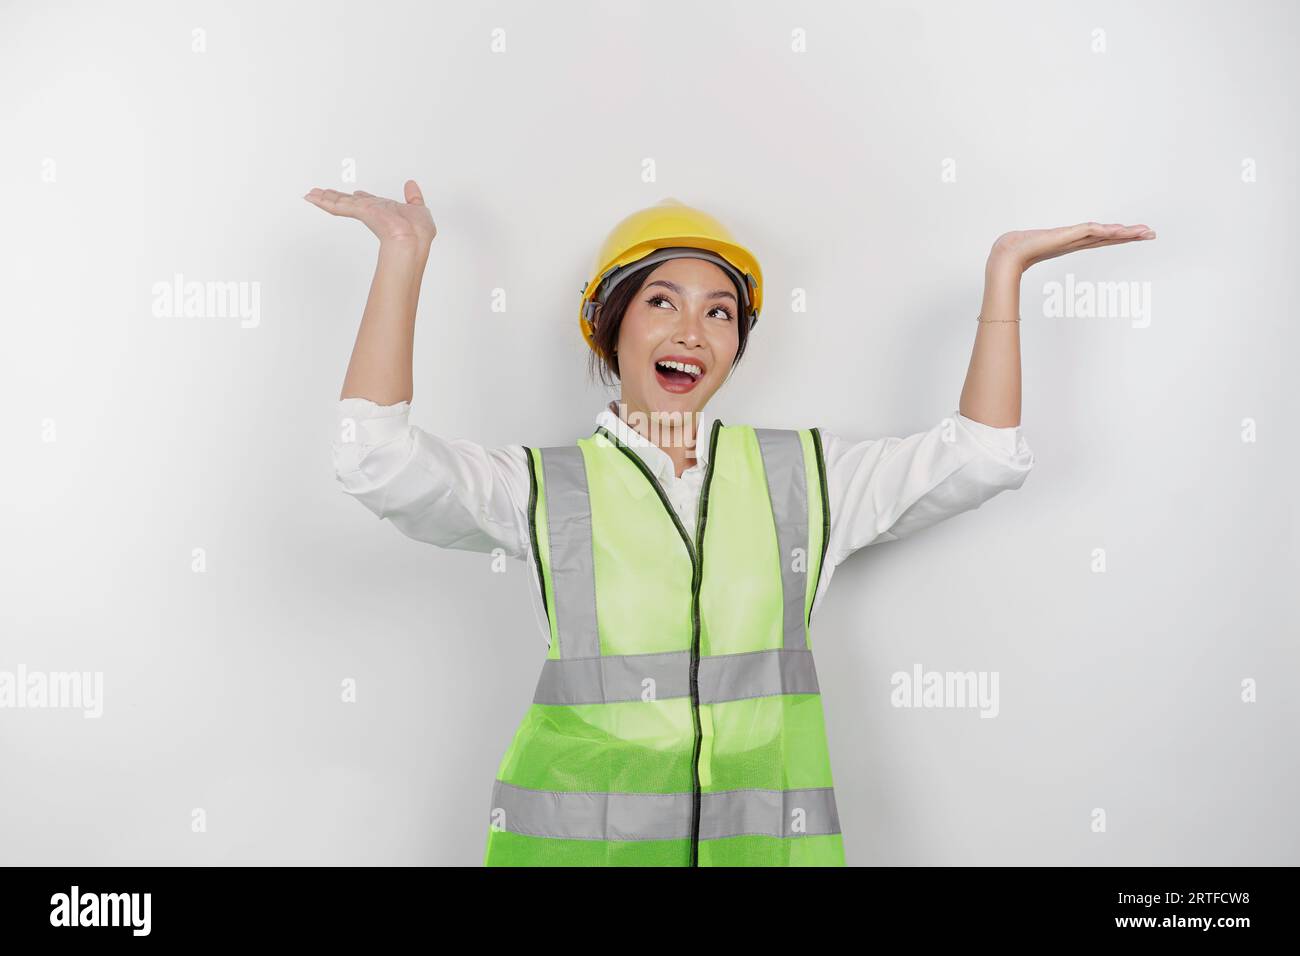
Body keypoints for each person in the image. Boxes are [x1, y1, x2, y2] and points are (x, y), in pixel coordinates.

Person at [305, 180, 1155, 866]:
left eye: (720, 312)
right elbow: (373, 459)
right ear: (611, 325)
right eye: (662, 302)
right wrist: (404, 255)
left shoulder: (804, 478)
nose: (694, 331)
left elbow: (981, 455)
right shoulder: (540, 487)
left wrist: (1004, 273)